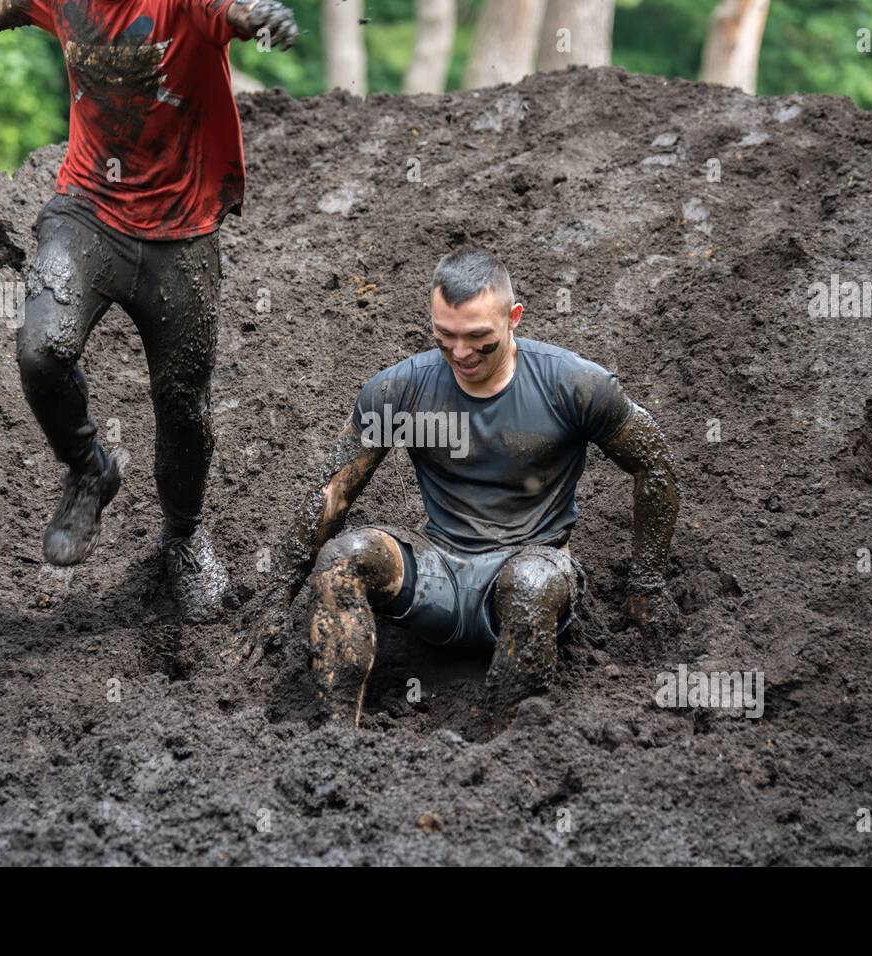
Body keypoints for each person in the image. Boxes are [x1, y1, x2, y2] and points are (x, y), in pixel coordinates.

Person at [0, 0, 298, 620]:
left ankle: (183, 539)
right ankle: (89, 470)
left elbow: (233, 12)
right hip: (85, 213)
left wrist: (262, 16)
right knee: (42, 350)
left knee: (183, 405)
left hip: (182, 234)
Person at [248, 249, 680, 727]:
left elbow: (654, 466)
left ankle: (503, 741)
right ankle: (335, 738)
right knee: (343, 555)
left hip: (528, 572)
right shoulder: (399, 390)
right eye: (445, 336)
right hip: (438, 571)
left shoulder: (575, 385)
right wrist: (276, 600)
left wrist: (647, 584)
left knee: (531, 585)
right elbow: (334, 494)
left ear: (513, 318)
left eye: (478, 338)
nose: (460, 353)